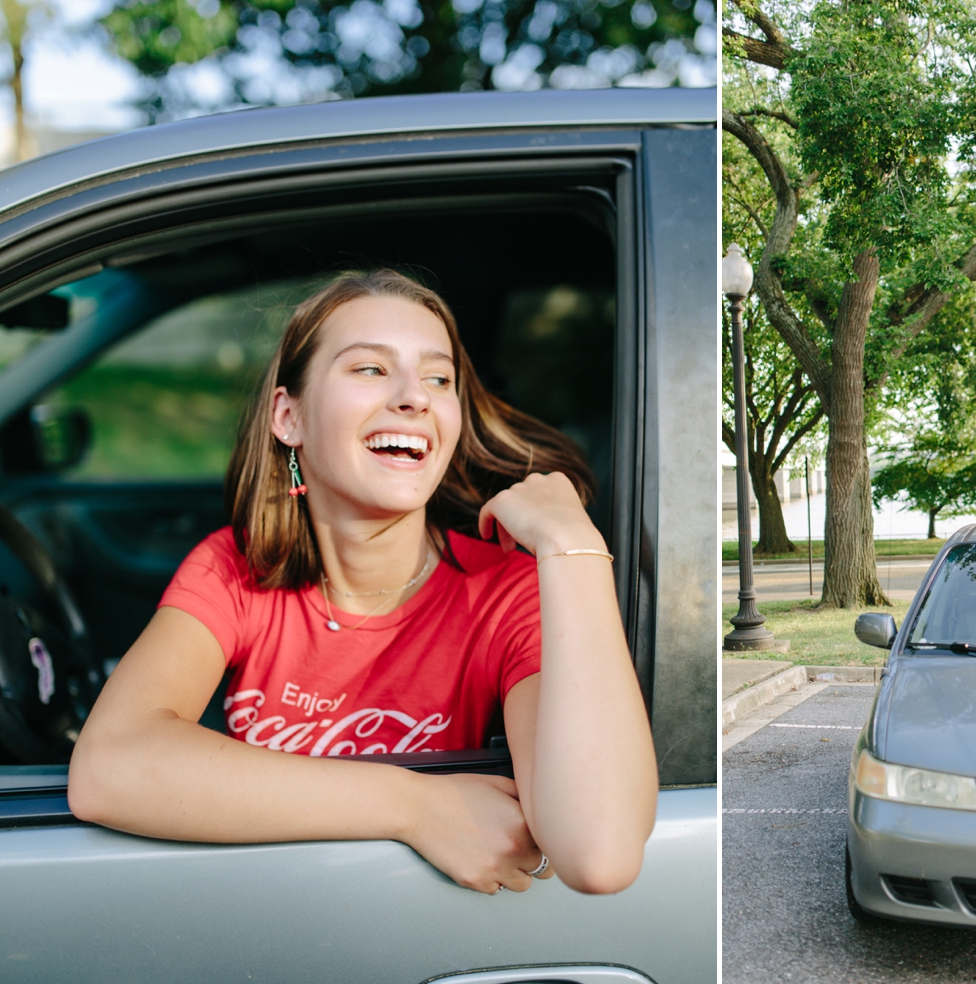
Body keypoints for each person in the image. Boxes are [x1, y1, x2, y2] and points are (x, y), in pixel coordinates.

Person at [67, 270, 657, 897]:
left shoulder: (507, 593)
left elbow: (601, 853)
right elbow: (109, 767)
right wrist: (413, 806)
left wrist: (574, 546)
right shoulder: (234, 570)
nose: (415, 397)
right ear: (288, 416)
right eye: (371, 370)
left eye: (439, 378)